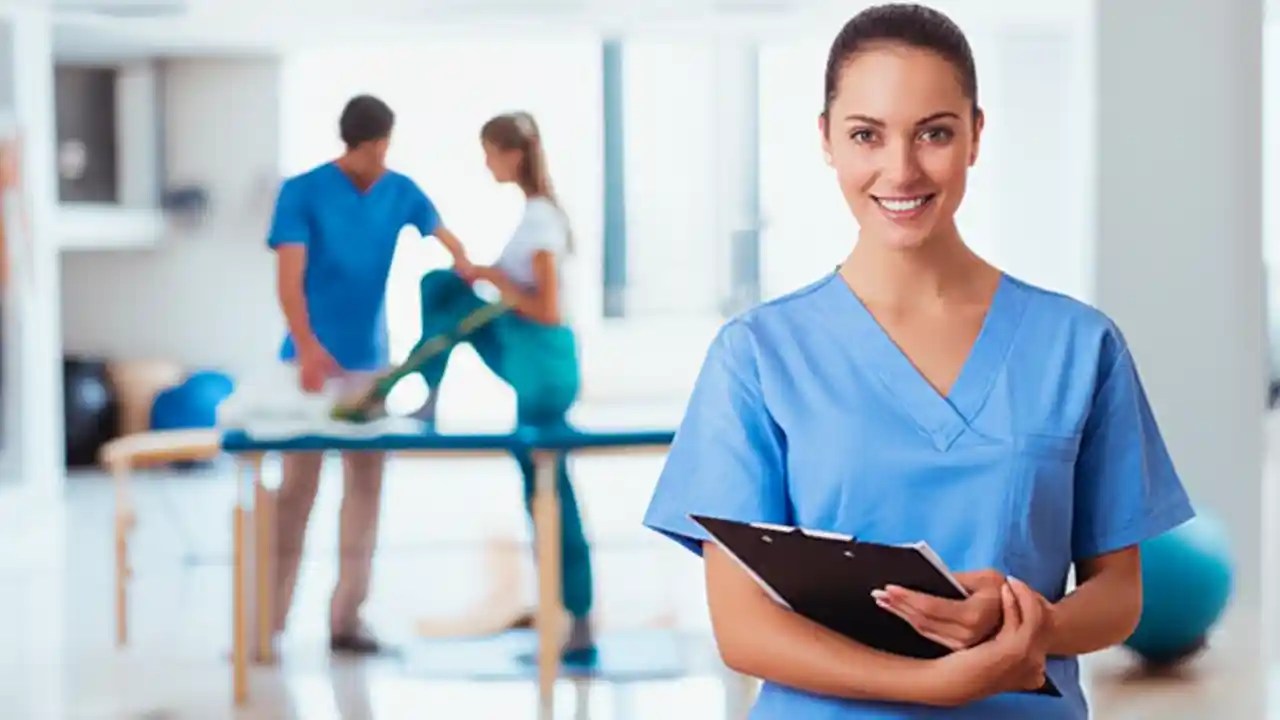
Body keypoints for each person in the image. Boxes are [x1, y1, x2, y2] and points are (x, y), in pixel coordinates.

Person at [642, 4, 1194, 718]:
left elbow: (1118, 596)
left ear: (975, 135)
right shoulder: (757, 356)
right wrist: (935, 684)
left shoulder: (1079, 347)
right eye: (865, 135)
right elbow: (743, 629)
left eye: (934, 132)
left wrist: (1027, 623)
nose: (900, 170)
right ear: (826, 139)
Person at [268, 94, 473, 654]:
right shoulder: (302, 192)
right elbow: (289, 280)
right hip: (308, 365)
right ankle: (269, 624)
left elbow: (448, 241)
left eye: (385, 148)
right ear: (355, 144)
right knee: (296, 492)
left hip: (370, 367)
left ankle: (347, 620)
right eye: (374, 149)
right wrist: (309, 348)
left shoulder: (398, 190)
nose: (380, 158)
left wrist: (467, 272)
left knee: (365, 490)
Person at [407, 111, 596, 661]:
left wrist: (490, 277)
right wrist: (486, 276)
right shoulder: (538, 214)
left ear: (512, 154)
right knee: (441, 287)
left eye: (490, 152)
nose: (487, 164)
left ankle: (578, 618)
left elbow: (547, 308)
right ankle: (566, 615)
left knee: (551, 495)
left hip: (543, 364)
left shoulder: (540, 220)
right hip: (528, 357)